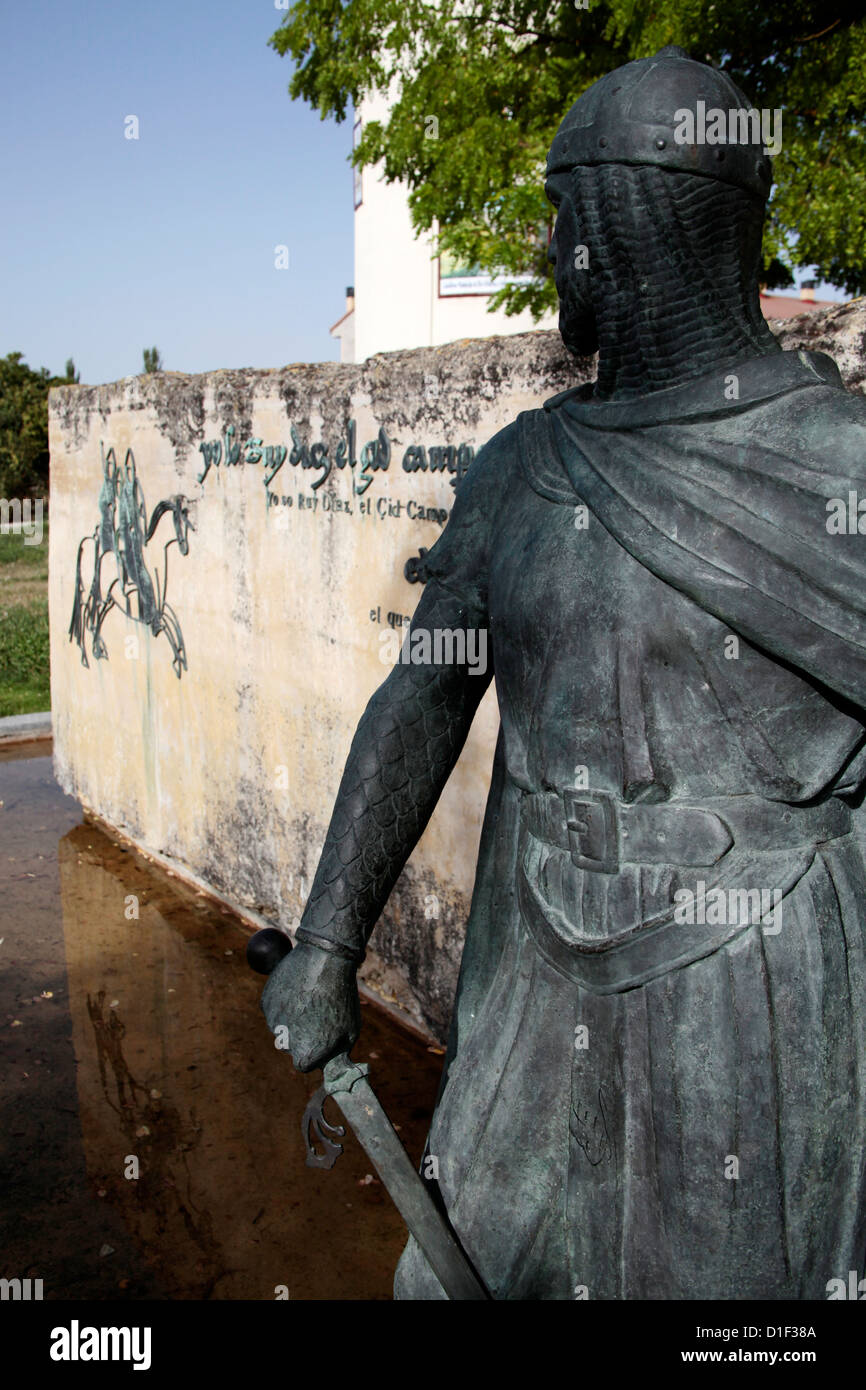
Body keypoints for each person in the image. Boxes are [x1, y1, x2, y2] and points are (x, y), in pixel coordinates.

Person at [263, 46, 866, 1298]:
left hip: (750, 982)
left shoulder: (835, 463)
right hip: (532, 969)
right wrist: (328, 942)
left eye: (558, 219)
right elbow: (423, 696)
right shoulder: (523, 466)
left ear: (620, 227)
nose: (548, 253)